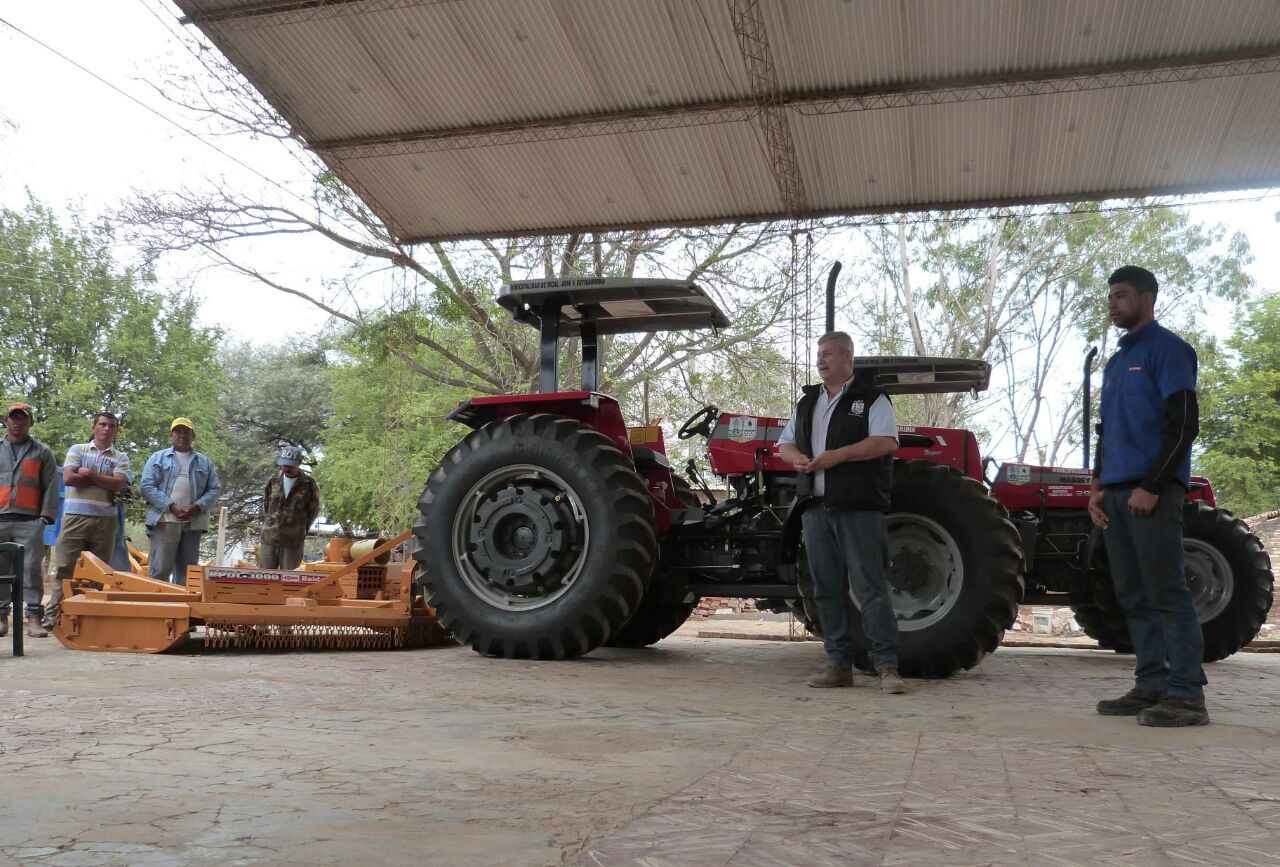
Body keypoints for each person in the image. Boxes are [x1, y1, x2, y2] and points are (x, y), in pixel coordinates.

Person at [1089, 266, 1207, 727]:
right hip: (1116, 494)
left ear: (1148, 297)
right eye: (1111, 296)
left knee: (1167, 593)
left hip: (1150, 493)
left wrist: (1152, 486)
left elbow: (1183, 424)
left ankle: (1186, 695)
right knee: (1133, 596)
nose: (1113, 303)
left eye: (1121, 295)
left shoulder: (1169, 350)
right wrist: (1096, 486)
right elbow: (1107, 431)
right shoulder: (1117, 362)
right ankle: (1151, 684)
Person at [777, 332, 906, 694]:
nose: (821, 361)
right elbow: (784, 443)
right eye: (819, 354)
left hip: (859, 508)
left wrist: (839, 455)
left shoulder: (872, 398)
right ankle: (837, 665)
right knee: (826, 590)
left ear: (848, 357)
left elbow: (885, 441)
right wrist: (797, 458)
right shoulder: (807, 403)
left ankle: (887, 668)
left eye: (828, 354)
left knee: (870, 588)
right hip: (815, 510)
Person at [44, 411, 131, 629]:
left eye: (112, 425)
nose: (107, 429)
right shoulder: (77, 449)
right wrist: (104, 479)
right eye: (102, 424)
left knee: (99, 572)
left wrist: (89, 474)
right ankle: (53, 615)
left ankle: (90, 619)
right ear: (93, 427)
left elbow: (119, 484)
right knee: (65, 567)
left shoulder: (121, 457)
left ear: (116, 430)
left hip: (106, 521)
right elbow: (69, 478)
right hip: (75, 518)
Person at [0, 403, 59, 638]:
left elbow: (51, 486)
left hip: (30, 520)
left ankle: (34, 617)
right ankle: (1, 616)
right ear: (6, 421)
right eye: (14, 418)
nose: (18, 422)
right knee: (0, 570)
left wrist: (45, 518)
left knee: (31, 569)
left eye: (23, 418)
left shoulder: (42, 452)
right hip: (0, 519)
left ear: (30, 423)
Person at [140, 417, 222, 585]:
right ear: (171, 435)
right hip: (164, 521)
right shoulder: (157, 458)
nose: (182, 435)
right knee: (160, 570)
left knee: (187, 573)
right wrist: (171, 507)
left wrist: (197, 507)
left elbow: (215, 489)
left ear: (193, 436)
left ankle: (183, 609)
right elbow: (146, 486)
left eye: (186, 432)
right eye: (178, 431)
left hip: (193, 523)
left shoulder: (205, 462)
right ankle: (158, 608)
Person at [259, 445, 320, 570]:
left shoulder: (309, 484)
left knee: (289, 581)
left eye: (290, 465)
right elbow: (266, 506)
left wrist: (299, 528)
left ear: (299, 463)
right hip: (269, 538)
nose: (287, 468)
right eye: (284, 464)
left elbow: (313, 511)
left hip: (293, 541)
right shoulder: (273, 481)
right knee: (265, 580)